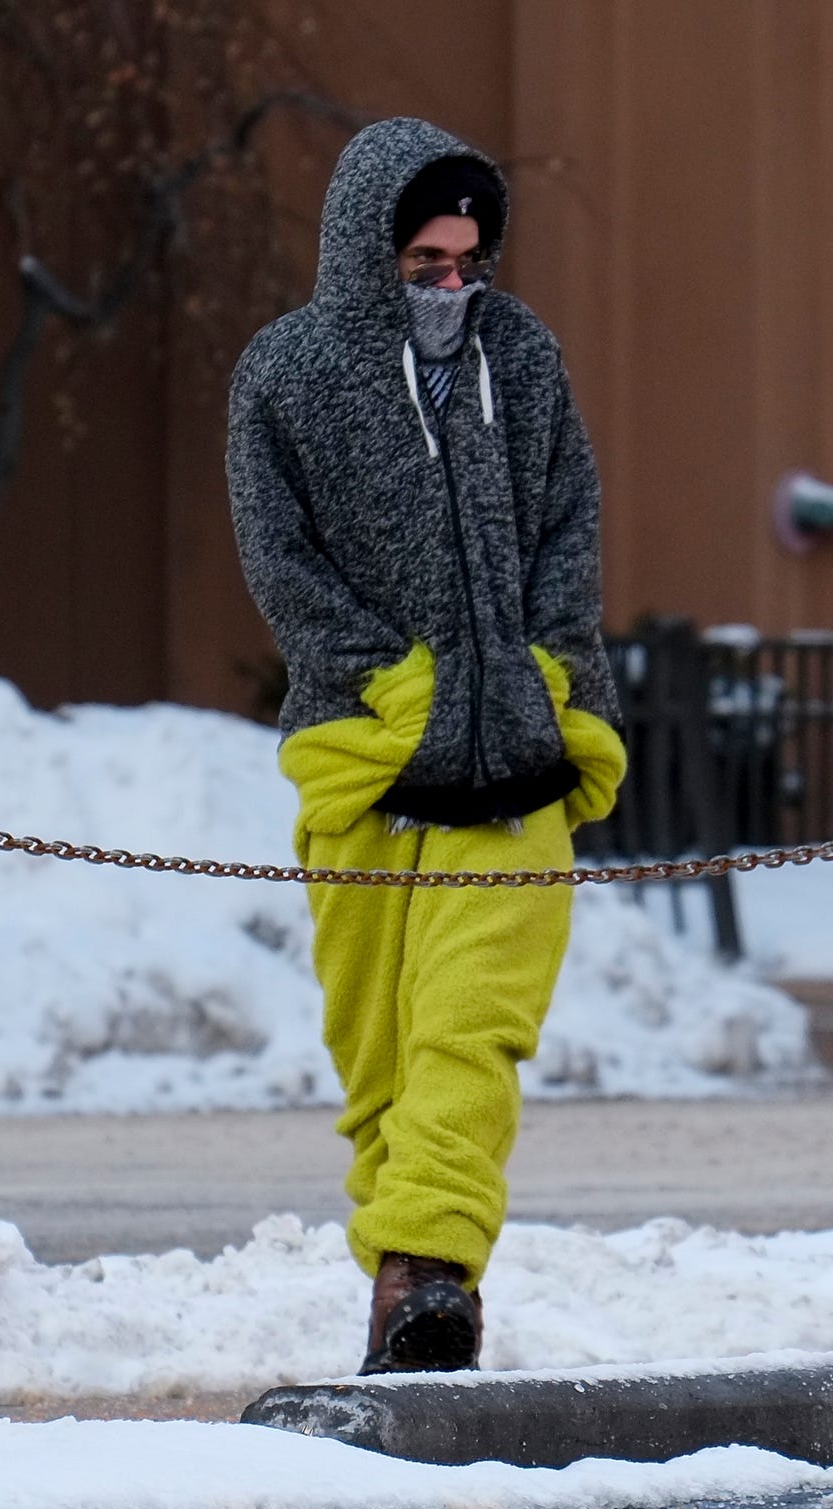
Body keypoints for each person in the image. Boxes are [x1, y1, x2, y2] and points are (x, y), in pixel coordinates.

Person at [227, 120, 628, 1375]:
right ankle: (403, 1298)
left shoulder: (523, 357)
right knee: (382, 1058)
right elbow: (276, 560)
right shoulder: (285, 373)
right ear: (366, 250)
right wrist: (390, 685)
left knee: (472, 1026)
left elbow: (569, 527)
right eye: (424, 262)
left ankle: (431, 1274)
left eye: (469, 263)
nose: (452, 287)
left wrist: (553, 680)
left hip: (515, 760)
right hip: (362, 756)